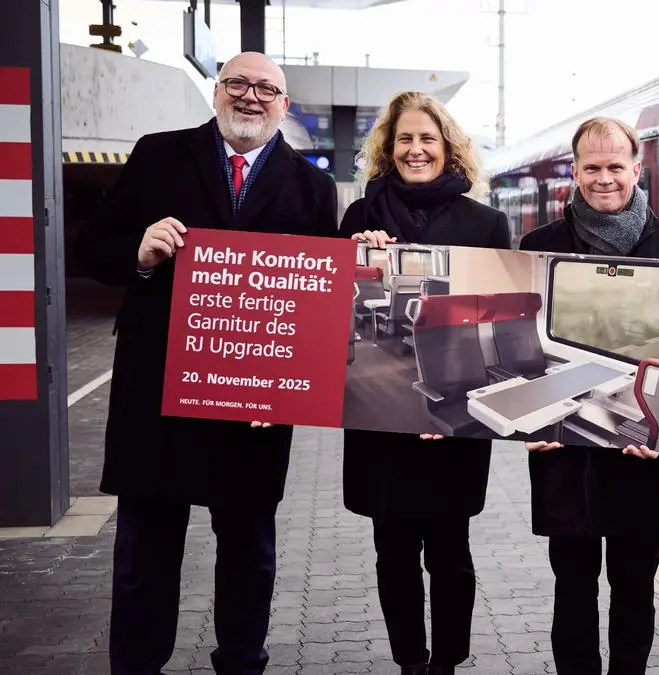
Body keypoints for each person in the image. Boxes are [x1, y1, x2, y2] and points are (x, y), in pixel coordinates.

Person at [75, 52, 339, 674]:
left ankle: (243, 663)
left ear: (284, 103)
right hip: (157, 394)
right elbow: (94, 248)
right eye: (239, 83)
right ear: (217, 91)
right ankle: (136, 666)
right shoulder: (158, 155)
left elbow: (319, 305)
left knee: (248, 551)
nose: (252, 97)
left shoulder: (311, 187)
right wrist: (138, 253)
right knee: (145, 553)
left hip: (254, 405)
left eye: (266, 88)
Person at [519, 116, 659, 675]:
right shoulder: (538, 248)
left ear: (636, 169)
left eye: (615, 167)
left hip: (643, 450)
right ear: (575, 173)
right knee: (571, 586)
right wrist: (530, 422)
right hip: (565, 447)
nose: (604, 179)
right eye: (592, 168)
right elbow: (523, 347)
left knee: (635, 587)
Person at [338, 90, 510, 675]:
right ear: (389, 148)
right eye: (405, 139)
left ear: (448, 148)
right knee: (392, 553)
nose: (416, 149)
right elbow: (333, 316)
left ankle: (447, 664)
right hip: (381, 414)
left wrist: (459, 406)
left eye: (427, 139)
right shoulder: (360, 220)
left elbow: (498, 324)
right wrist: (356, 261)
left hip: (451, 417)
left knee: (450, 552)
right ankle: (411, 663)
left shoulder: (485, 223)